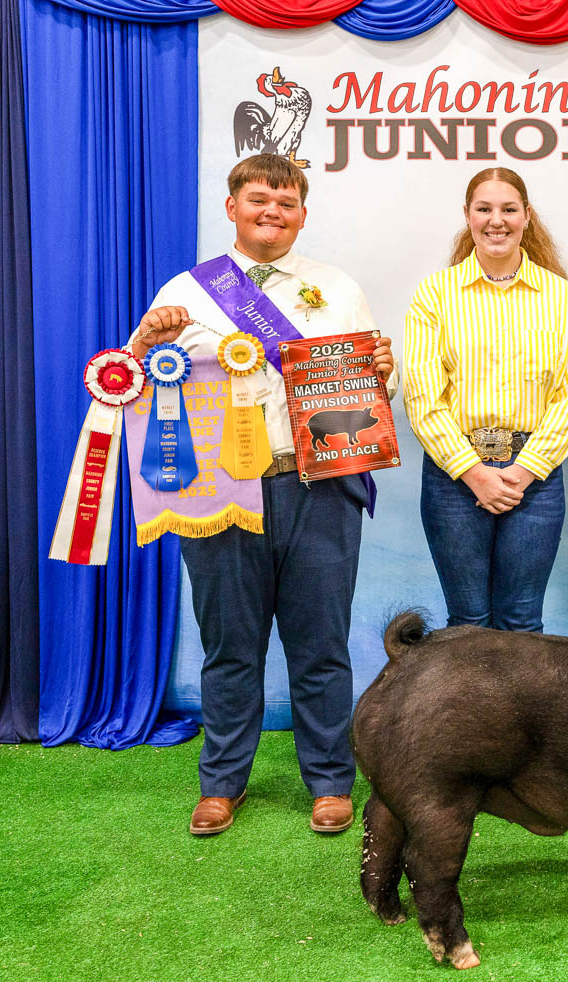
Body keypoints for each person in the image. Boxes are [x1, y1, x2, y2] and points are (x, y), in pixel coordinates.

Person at [130, 153, 396, 836]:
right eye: (258, 199)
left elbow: (369, 390)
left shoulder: (336, 287)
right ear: (232, 207)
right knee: (229, 646)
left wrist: (383, 372)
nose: (272, 212)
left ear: (302, 214)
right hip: (219, 490)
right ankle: (221, 783)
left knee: (321, 645)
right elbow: (134, 384)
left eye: (286, 203)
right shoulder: (185, 292)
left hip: (319, 486)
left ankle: (331, 781)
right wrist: (145, 344)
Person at [403, 167, 568, 632]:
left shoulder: (562, 298)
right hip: (454, 478)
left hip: (535, 477)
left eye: (508, 209)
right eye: (484, 209)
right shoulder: (434, 295)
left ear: (527, 215)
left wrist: (522, 473)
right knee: (468, 622)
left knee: (521, 622)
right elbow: (423, 395)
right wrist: (474, 473)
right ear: (467, 215)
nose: (496, 220)